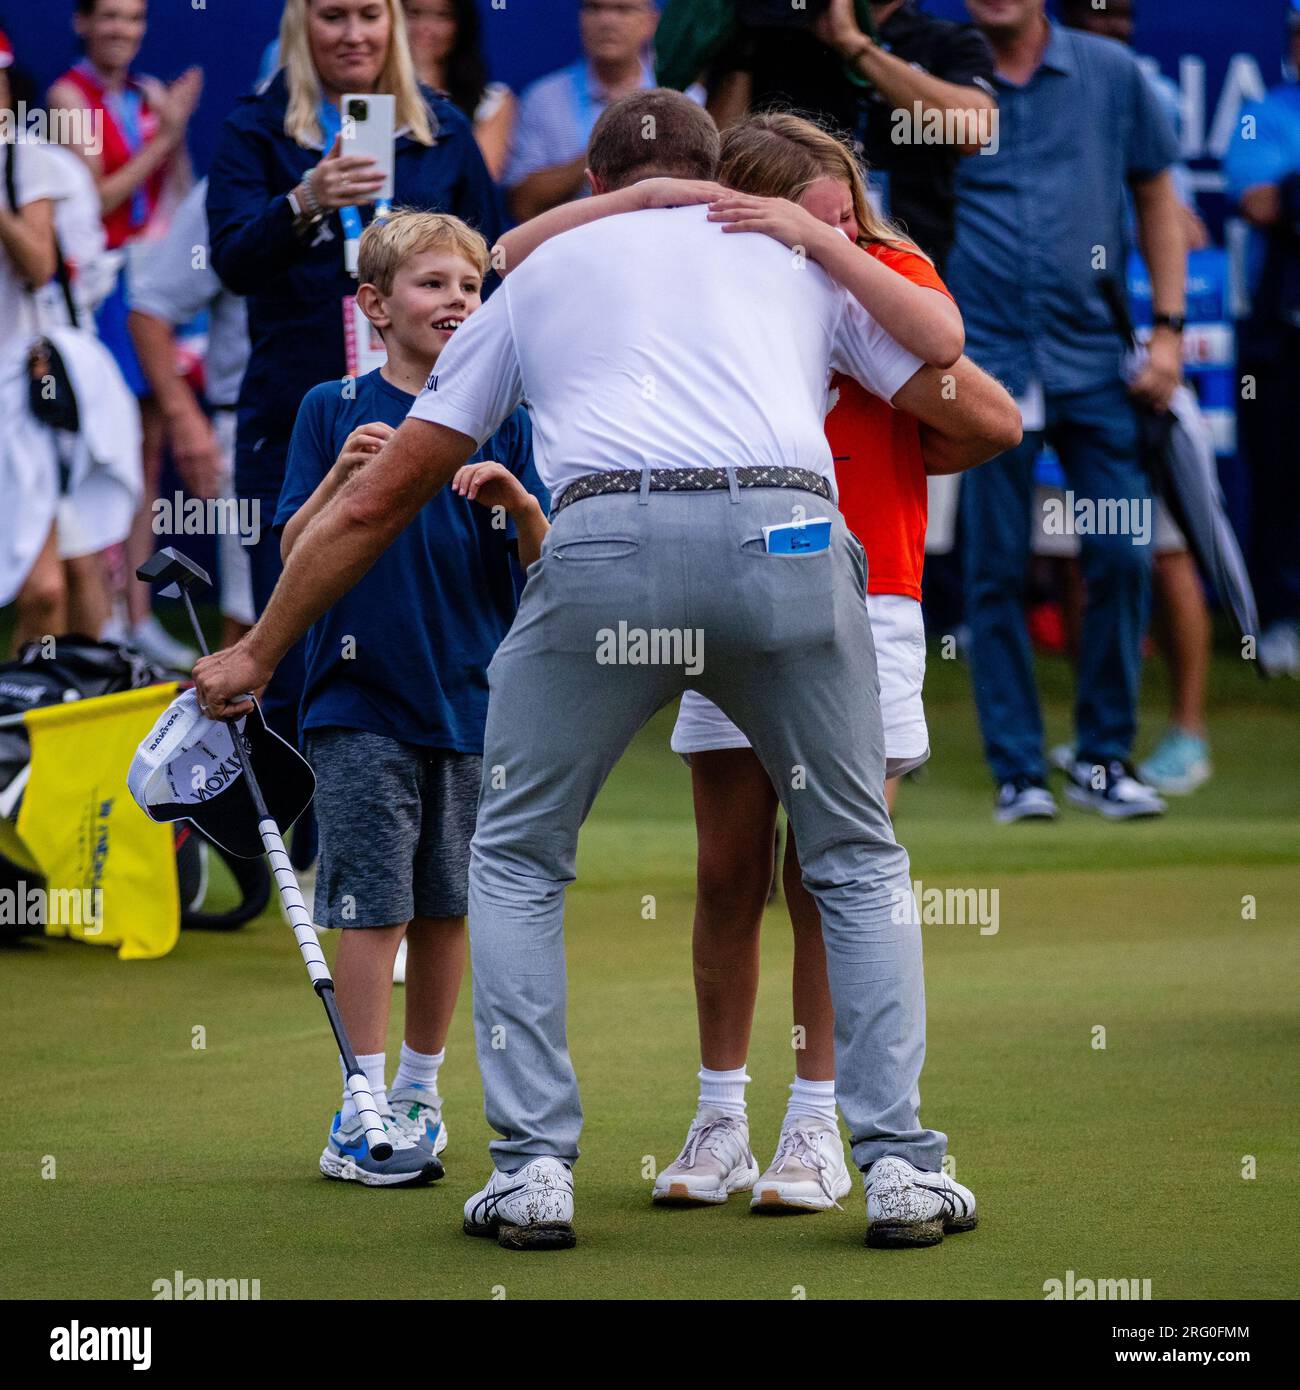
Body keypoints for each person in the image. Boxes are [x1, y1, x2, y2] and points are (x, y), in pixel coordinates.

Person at [195, 88, 1022, 1253]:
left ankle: (534, 1173)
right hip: (785, 544)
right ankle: (895, 1167)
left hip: (602, 549)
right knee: (855, 858)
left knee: (518, 856)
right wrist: (818, 241)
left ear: (591, 186)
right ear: (716, 170)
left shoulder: (532, 276)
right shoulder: (791, 253)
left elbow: (383, 496)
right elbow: (956, 375)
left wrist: (258, 648)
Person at [495, 110, 992, 1214]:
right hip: (721, 585)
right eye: (812, 210)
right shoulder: (696, 269)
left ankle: (822, 1130)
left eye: (844, 207)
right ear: (730, 196)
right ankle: (721, 1116)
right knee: (728, 870)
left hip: (851, 588)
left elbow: (977, 398)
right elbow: (508, 259)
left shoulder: (840, 263)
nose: (838, 224)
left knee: (833, 868)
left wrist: (829, 250)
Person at [274, 209, 546, 1186]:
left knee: (446, 906)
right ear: (374, 305)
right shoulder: (330, 406)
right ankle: (361, 1104)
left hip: (472, 702)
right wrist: (334, 484)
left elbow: (542, 568)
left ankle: (422, 1094)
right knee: (369, 905)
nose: (456, 303)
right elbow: (290, 553)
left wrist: (518, 503)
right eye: (433, 285)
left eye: (470, 288)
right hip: (357, 700)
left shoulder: (503, 410)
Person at [205, 0, 503, 823]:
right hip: (299, 405)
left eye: (370, 15)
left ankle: (405, 815)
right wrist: (304, 199)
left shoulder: (437, 126)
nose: (353, 34)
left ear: (395, 24)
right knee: (289, 611)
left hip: (433, 410)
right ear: (303, 26)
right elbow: (228, 259)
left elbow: (498, 259)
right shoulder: (259, 125)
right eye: (332, 16)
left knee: (421, 613)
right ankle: (296, 831)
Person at [950, 0, 1186, 822]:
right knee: (995, 570)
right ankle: (1018, 772)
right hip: (982, 367)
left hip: (1094, 361)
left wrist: (1167, 328)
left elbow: (1157, 192)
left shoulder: (1110, 72)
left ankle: (1103, 760)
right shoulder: (938, 72)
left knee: (1123, 552)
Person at [1049, 0, 1212, 794]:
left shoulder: (1137, 90)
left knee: (1160, 547)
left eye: (1116, 12)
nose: (1103, 23)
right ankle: (1094, 744)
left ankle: (1186, 731)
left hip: (1140, 361)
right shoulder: (1036, 90)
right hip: (1065, 358)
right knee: (1074, 558)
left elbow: (1182, 223)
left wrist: (1165, 333)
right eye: (1087, 10)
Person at [49, 0, 202, 670]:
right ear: (82, 23)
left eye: (134, 20)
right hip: (97, 289)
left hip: (150, 284)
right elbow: (97, 197)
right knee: (101, 453)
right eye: (108, 17)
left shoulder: (148, 95)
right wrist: (166, 135)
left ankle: (137, 619)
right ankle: (101, 611)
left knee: (148, 450)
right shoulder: (64, 93)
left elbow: (182, 193)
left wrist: (174, 138)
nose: (122, 31)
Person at [705, 0, 996, 271]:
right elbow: (719, 160)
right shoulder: (775, 38)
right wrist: (744, 43)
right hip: (791, 270)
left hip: (905, 268)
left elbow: (972, 131)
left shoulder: (945, 40)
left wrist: (854, 44)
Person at [127, 178, 255, 651]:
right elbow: (150, 311)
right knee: (252, 624)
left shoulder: (425, 153)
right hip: (259, 432)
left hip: (398, 419)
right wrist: (187, 420)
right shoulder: (241, 172)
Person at [1223, 1, 1300, 678]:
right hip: (1285, 334)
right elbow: (1261, 202)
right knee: (1282, 479)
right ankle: (1279, 621)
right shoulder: (1265, 113)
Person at [504, 0, 699, 222]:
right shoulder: (544, 99)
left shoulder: (684, 97)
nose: (607, 21)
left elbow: (706, 189)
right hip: (572, 244)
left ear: (651, 22)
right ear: (581, 18)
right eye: (595, 8)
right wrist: (607, 149)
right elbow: (522, 204)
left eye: (623, 9)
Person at [0, 33, 67, 649]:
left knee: (44, 588)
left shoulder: (26, 157)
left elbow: (39, 264)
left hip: (15, 396)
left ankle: (23, 730)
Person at [402, 0, 516, 180]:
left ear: (462, 25)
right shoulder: (370, 95)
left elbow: (479, 178)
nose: (425, 28)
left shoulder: (494, 100)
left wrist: (424, 80)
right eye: (414, 13)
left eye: (442, 15)